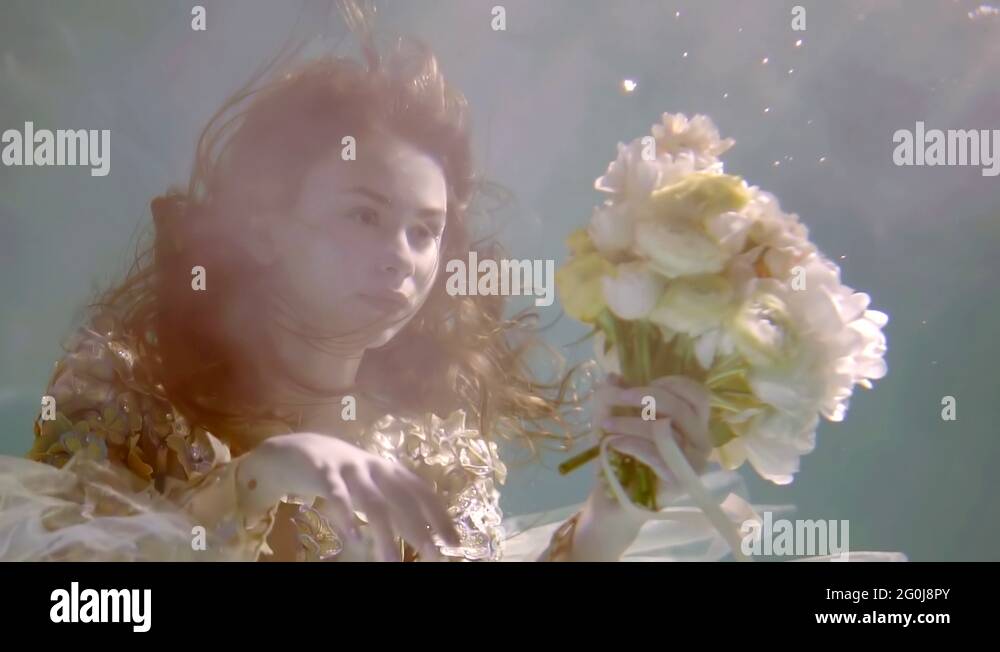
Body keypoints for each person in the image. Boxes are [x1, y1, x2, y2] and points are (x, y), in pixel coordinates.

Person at [0, 15, 733, 563]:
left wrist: (612, 519)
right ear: (263, 225)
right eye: (363, 214)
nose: (402, 258)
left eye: (426, 230)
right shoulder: (122, 397)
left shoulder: (439, 452)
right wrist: (260, 478)